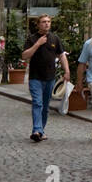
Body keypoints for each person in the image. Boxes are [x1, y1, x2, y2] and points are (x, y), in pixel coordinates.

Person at [22, 14, 69, 142]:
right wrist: (37, 44)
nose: (46, 24)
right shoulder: (32, 39)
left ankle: (40, 130)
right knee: (37, 103)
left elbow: (62, 55)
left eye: (48, 21)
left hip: (50, 77)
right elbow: (25, 55)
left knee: (45, 105)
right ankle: (36, 130)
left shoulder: (55, 39)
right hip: (35, 77)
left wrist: (67, 71)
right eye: (43, 22)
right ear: (38, 24)